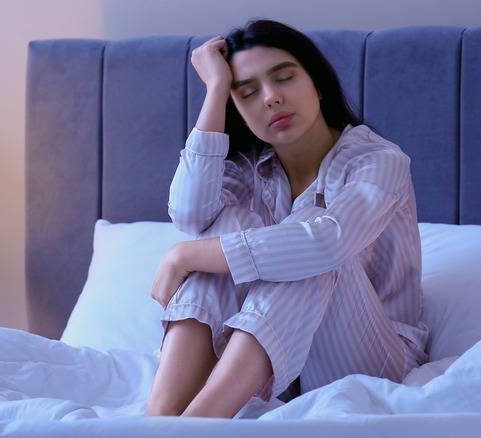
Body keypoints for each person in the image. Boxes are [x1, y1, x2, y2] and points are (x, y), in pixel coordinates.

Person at [144, 19, 428, 419]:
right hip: (273, 363)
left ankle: (199, 423)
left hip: (372, 360)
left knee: (308, 231)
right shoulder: (248, 169)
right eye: (247, 92)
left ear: (318, 83)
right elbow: (190, 214)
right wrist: (215, 91)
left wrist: (182, 256)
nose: (272, 98)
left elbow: (327, 242)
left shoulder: (378, 161)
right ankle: (156, 421)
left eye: (285, 78)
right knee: (224, 227)